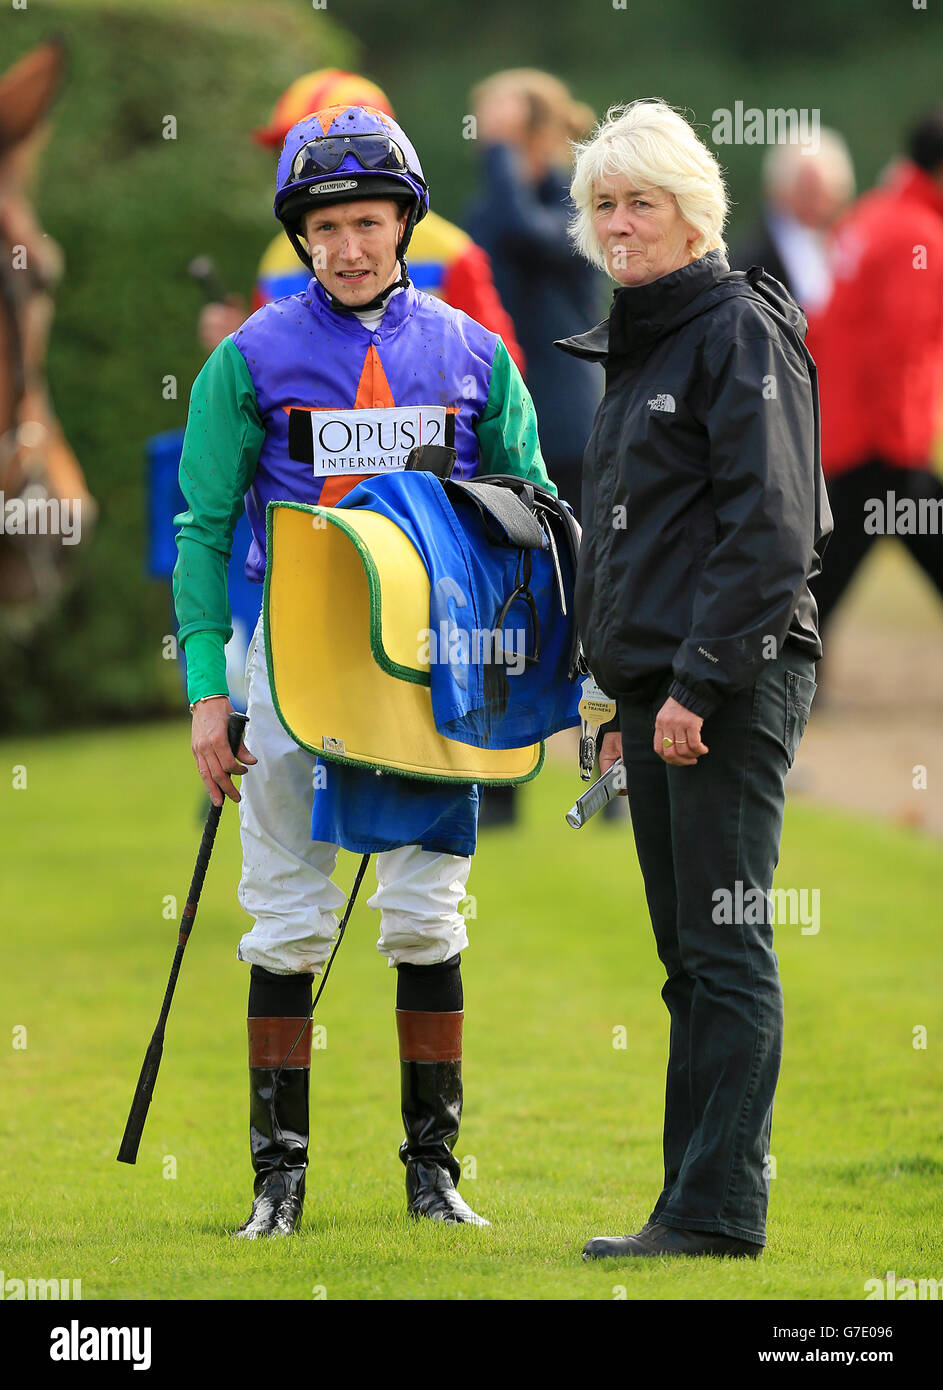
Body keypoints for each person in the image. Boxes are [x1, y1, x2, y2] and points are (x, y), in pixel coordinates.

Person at [172, 103, 555, 1238]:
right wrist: (209, 688)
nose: (349, 245)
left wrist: (527, 671)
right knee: (287, 923)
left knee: (428, 921)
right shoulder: (243, 363)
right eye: (327, 225)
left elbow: (531, 515)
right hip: (288, 668)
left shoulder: (480, 357)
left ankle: (432, 1181)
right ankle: (275, 1189)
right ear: (301, 238)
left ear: (405, 223)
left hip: (425, 676)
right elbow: (200, 528)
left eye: (369, 221)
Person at [555, 100, 831, 1259]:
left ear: (692, 212)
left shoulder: (733, 329)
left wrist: (697, 685)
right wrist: (616, 693)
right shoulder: (645, 332)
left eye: (641, 203)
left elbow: (769, 532)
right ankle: (694, 1206)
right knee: (690, 958)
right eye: (603, 204)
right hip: (659, 691)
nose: (620, 223)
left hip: (726, 680)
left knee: (723, 950)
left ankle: (715, 1214)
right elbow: (634, 541)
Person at [199, 68, 525, 376]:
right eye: (285, 150)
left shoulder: (452, 252)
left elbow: (500, 372)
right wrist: (237, 349)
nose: (298, 165)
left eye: (319, 149)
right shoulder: (278, 256)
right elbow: (269, 374)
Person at [807, 109, 943, 640]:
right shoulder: (918, 235)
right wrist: (903, 443)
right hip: (881, 440)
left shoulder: (869, 217)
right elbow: (899, 348)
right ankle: (766, 673)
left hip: (847, 427)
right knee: (826, 576)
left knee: (829, 569)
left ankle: (773, 667)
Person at [729, 129, 855, 316]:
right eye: (810, 192)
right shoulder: (749, 261)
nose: (822, 205)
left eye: (831, 193)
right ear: (781, 189)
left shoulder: (845, 241)